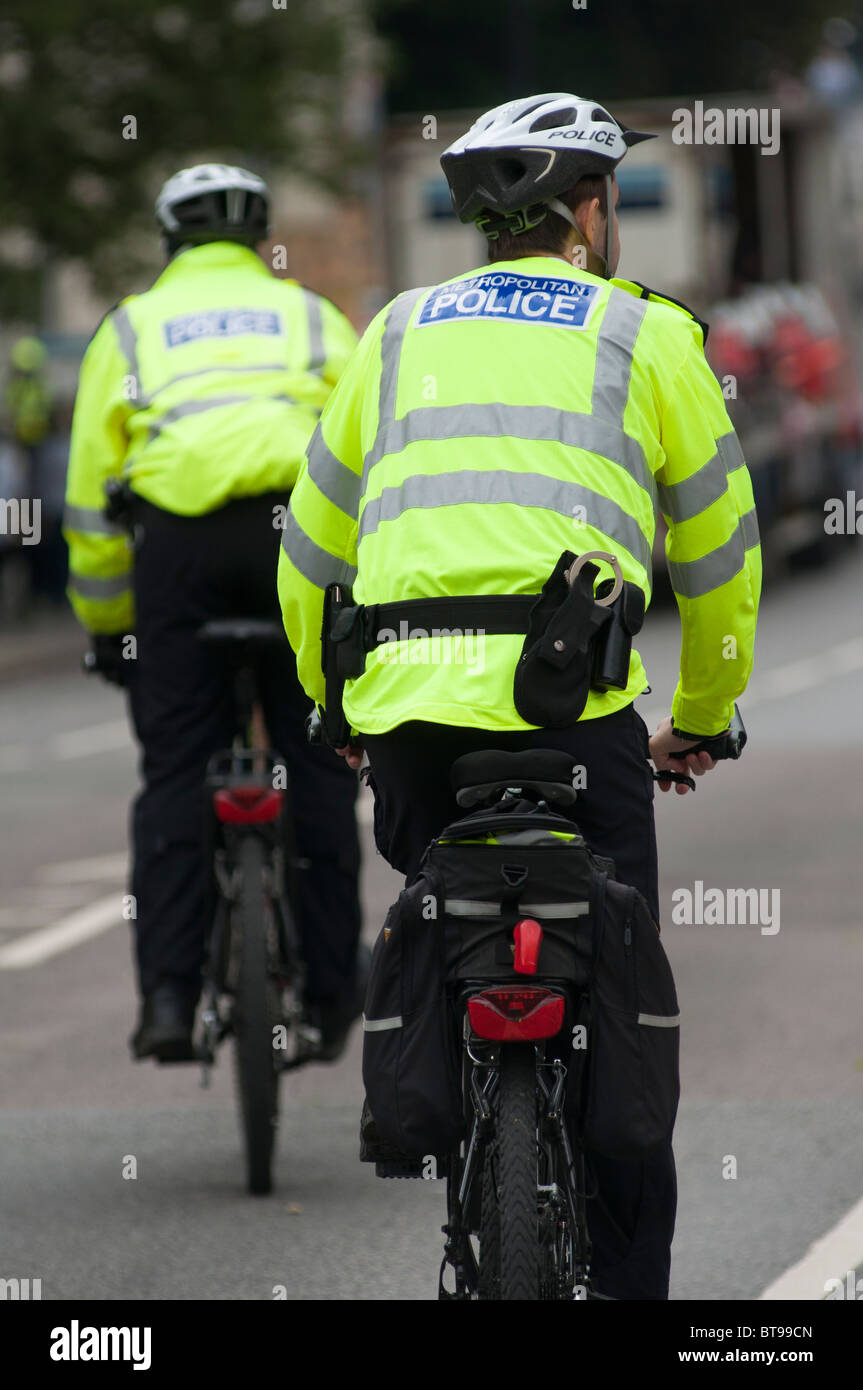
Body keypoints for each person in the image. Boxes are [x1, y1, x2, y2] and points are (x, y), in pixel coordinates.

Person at [278, 94, 761, 1299]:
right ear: (590, 214)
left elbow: (308, 557)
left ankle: (450, 1125)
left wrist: (334, 711)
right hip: (574, 722)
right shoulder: (642, 338)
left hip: (409, 728)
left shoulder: (388, 335)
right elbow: (719, 558)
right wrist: (701, 714)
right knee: (617, 972)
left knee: (445, 909)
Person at [63, 163, 363, 1064]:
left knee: (172, 778)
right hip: (293, 543)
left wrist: (110, 628)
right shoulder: (313, 316)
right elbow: (366, 451)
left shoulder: (128, 329)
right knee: (315, 773)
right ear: (257, 235)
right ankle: (331, 996)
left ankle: (167, 997)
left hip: (178, 555)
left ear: (168, 241)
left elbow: (87, 504)